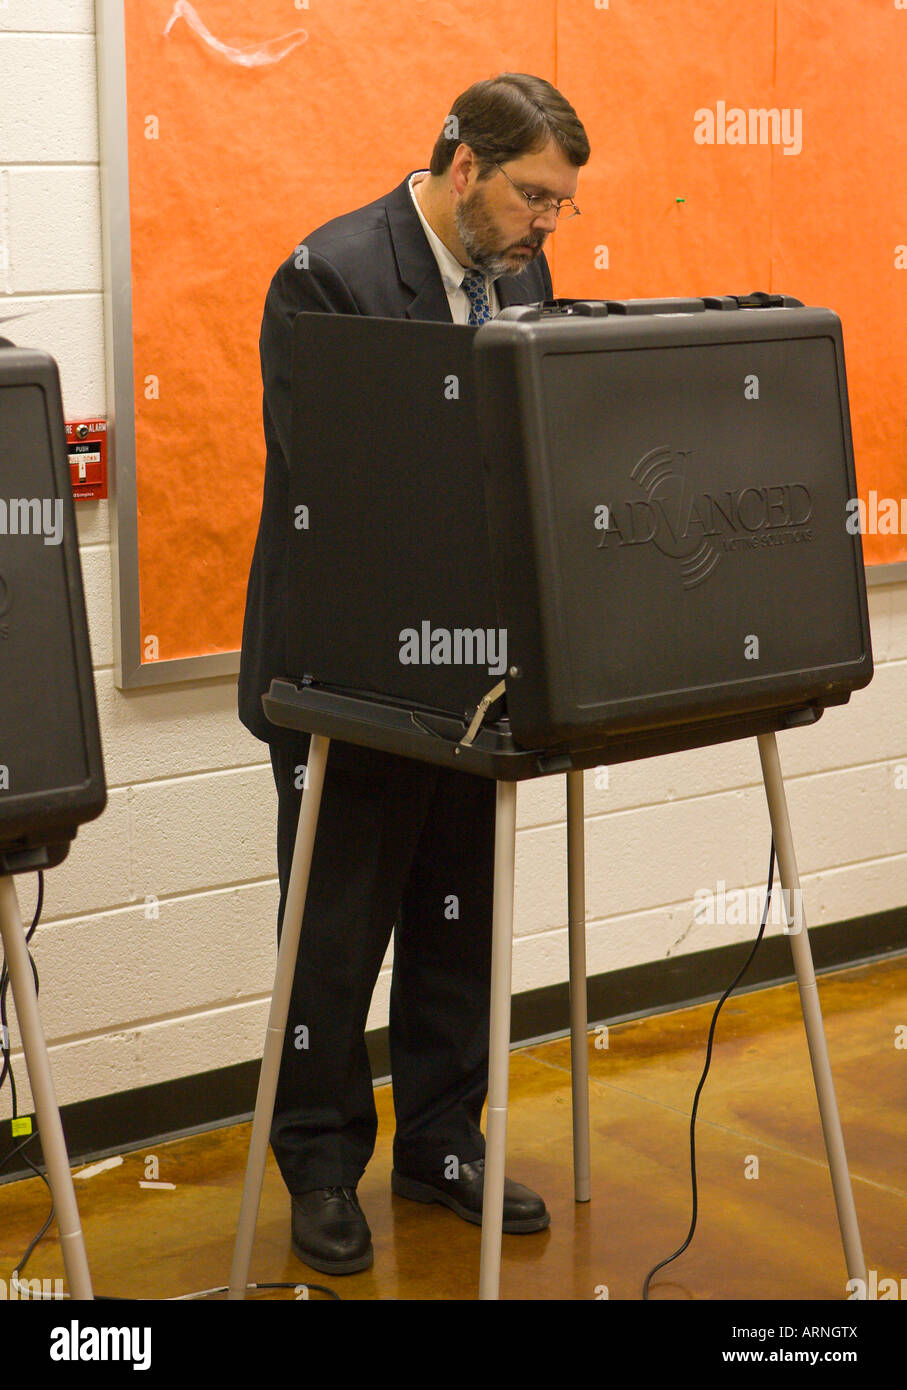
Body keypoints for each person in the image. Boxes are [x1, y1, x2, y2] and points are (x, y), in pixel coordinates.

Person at [238, 72, 590, 1275]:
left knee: (460, 916)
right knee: (335, 932)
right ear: (462, 169)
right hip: (347, 669)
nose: (548, 226)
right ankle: (321, 1166)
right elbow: (331, 493)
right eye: (534, 196)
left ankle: (444, 1140)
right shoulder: (328, 274)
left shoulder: (524, 278)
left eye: (560, 205)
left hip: (474, 672)